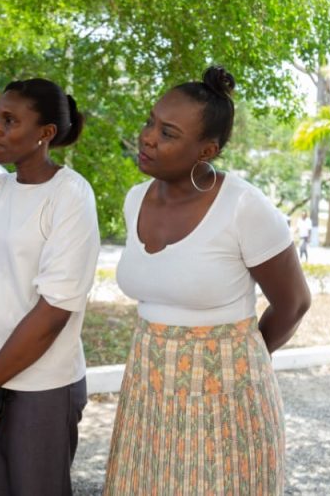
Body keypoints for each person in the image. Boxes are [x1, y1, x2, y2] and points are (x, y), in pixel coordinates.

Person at [103, 66, 311, 494]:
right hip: (147, 394)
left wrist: (238, 357)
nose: (147, 137)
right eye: (150, 122)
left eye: (168, 133)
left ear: (206, 150)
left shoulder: (243, 207)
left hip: (228, 399)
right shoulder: (134, 200)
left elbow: (294, 304)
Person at [0, 78, 99, 496]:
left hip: (42, 386)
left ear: (45, 134)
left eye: (10, 121)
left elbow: (52, 313)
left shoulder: (70, 195)